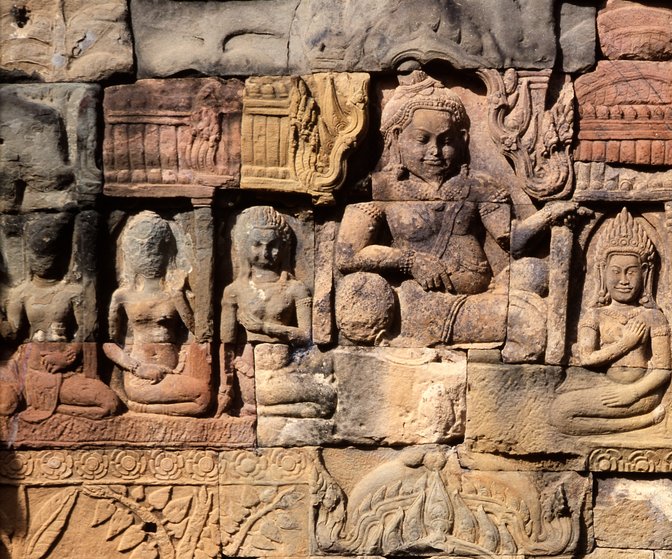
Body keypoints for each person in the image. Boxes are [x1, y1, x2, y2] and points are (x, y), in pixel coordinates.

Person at [335, 72, 572, 357]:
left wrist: (549, 216)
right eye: (422, 140)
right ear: (397, 137)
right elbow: (348, 255)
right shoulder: (378, 188)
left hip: (482, 295)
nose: (435, 152)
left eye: (446, 141)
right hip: (421, 305)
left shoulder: (480, 185)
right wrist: (409, 261)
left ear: (462, 140)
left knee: (534, 272)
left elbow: (512, 241)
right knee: (527, 320)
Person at [550, 208, 672, 435]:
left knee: (561, 413)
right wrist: (625, 344)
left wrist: (633, 392)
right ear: (602, 272)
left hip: (642, 393)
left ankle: (643, 418)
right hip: (604, 386)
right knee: (558, 413)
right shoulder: (595, 315)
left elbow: (663, 370)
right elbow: (587, 357)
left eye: (631, 272)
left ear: (645, 273)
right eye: (616, 272)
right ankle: (642, 423)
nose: (623, 280)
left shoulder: (653, 317)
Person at [0, 212, 120, 422]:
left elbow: (87, 328)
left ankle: (61, 409)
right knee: (7, 403)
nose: (43, 263)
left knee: (109, 402)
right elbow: (13, 333)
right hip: (32, 367)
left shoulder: (72, 292)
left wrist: (70, 354)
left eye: (49, 256)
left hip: (67, 366)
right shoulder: (21, 294)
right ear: (28, 256)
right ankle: (50, 405)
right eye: (37, 256)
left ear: (61, 256)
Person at [220, 206, 333, 420]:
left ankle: (260, 410)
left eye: (272, 246)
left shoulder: (296, 289)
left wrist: (265, 328)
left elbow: (306, 335)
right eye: (257, 245)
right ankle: (255, 406)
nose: (264, 253)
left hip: (287, 366)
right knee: (324, 398)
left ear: (284, 247)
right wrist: (225, 389)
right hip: (253, 371)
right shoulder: (234, 291)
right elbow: (227, 345)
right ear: (244, 247)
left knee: (326, 398)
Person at [104, 212, 213, 416]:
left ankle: (139, 407)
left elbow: (198, 332)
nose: (148, 255)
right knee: (202, 396)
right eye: (139, 249)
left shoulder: (173, 292)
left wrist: (178, 296)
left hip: (174, 372)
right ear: (129, 253)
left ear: (166, 251)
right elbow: (109, 343)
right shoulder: (123, 295)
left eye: (154, 248)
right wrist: (137, 368)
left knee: (204, 398)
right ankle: (138, 403)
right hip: (140, 375)